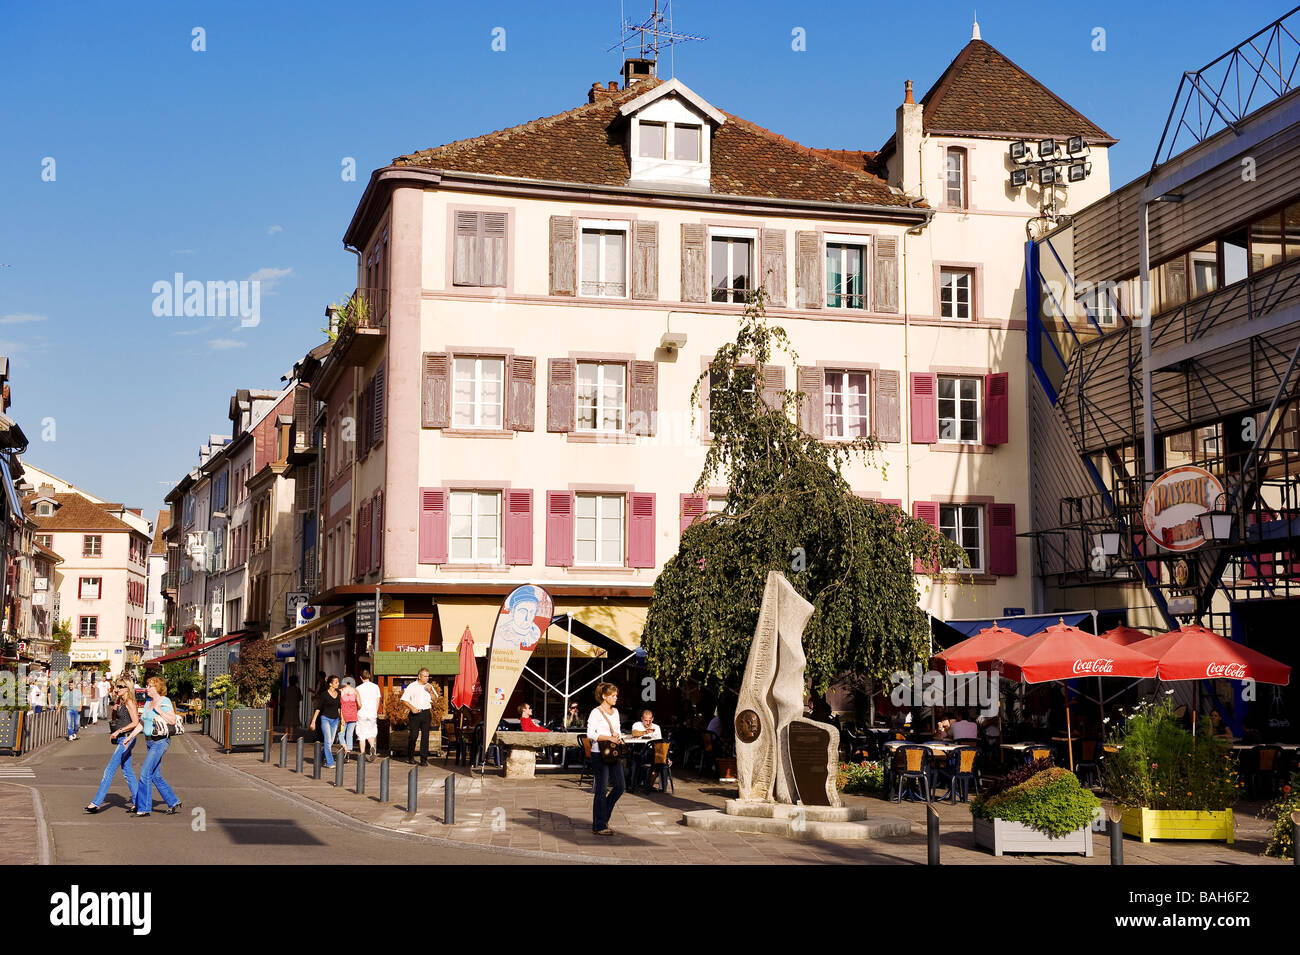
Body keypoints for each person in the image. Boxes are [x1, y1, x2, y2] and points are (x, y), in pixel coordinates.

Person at [126, 676, 181, 817]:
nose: (147, 688)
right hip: (149, 741)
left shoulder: (165, 701)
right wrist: (130, 736)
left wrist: (160, 711)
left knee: (144, 772)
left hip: (160, 741)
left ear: (157, 688)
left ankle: (144, 808)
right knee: (155, 775)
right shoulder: (148, 702)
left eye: (150, 686)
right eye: (147, 685)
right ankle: (173, 801)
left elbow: (173, 720)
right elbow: (142, 723)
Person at [85, 679, 140, 813]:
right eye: (117, 687)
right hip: (123, 738)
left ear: (127, 688)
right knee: (127, 771)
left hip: (127, 738)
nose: (117, 689)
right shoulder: (120, 702)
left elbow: (136, 722)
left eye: (120, 687)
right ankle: (139, 801)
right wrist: (115, 708)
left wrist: (119, 731)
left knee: (109, 771)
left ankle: (96, 803)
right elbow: (116, 719)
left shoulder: (130, 702)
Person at [586, 681, 625, 836]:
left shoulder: (615, 712)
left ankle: (603, 816)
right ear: (604, 696)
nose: (616, 698)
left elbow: (618, 730)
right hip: (599, 753)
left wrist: (617, 735)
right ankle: (599, 825)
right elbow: (591, 734)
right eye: (613, 696)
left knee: (620, 786)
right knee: (601, 789)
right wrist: (608, 737)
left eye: (616, 696)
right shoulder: (595, 712)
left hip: (613, 752)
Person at [401, 668, 438, 765]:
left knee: (425, 737)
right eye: (425, 676)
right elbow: (404, 699)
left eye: (428, 676)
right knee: (413, 736)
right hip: (415, 713)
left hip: (426, 713)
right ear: (419, 676)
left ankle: (423, 759)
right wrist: (412, 708)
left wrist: (430, 691)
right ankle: (410, 757)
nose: (427, 678)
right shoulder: (412, 686)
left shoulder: (429, 686)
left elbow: (435, 699)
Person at [310, 676, 342, 769]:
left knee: (330, 742)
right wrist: (313, 721)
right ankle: (330, 762)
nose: (338, 684)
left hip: (335, 720)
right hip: (325, 719)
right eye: (336, 682)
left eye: (338, 682)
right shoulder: (324, 695)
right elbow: (318, 708)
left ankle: (320, 756)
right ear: (330, 684)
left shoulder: (338, 693)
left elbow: (339, 708)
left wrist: (342, 718)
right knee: (328, 741)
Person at [355, 670, 381, 762]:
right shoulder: (376, 687)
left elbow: (357, 702)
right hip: (372, 713)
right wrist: (375, 711)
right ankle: (372, 747)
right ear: (369, 676)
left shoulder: (358, 688)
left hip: (361, 713)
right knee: (371, 732)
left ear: (361, 678)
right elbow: (378, 701)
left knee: (361, 734)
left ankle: (362, 754)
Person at [339, 677, 359, 759]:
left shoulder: (341, 691)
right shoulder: (355, 691)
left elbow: (339, 706)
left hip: (344, 716)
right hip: (353, 715)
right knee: (349, 734)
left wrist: (341, 717)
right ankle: (348, 752)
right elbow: (360, 704)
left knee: (341, 733)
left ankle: (345, 748)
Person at [282, 676, 302, 742]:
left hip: (287, 707)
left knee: (287, 723)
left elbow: (284, 697)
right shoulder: (297, 689)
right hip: (294, 707)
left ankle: (286, 736)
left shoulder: (287, 689)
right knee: (292, 724)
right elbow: (300, 698)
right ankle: (291, 737)